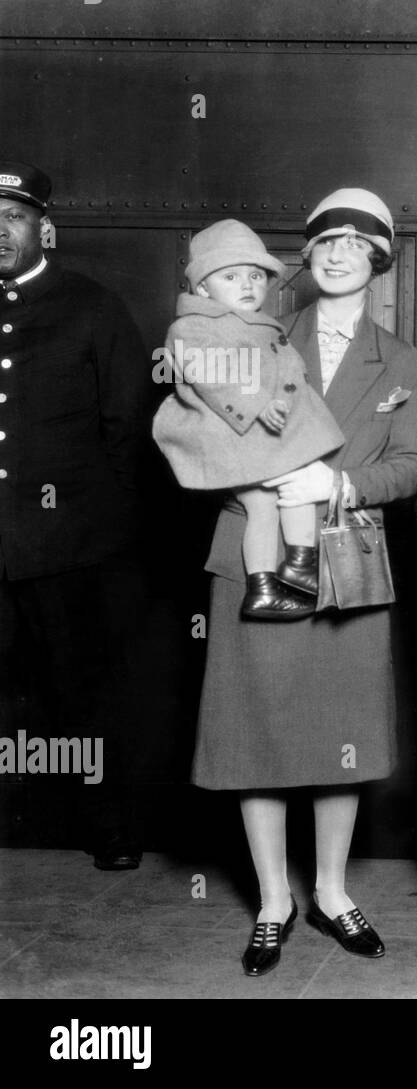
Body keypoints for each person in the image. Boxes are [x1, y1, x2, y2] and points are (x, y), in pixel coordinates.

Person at [192, 188, 417, 976]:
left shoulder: (401, 359)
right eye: (326, 240)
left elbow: (410, 467)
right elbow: (199, 427)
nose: (337, 253)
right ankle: (271, 898)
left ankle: (329, 888)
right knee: (252, 734)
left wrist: (341, 484)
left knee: (340, 735)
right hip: (254, 556)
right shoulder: (251, 332)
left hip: (347, 558)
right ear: (308, 254)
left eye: (357, 244)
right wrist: (255, 480)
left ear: (378, 262)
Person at [0, 159, 153, 871]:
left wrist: (91, 537)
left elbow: (127, 428)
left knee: (81, 692)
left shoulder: (92, 307)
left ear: (43, 225)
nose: (0, 232)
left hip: (67, 549)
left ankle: (110, 826)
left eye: (14, 216)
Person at [152, 219, 344, 619]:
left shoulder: (261, 325)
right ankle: (270, 580)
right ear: (202, 287)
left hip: (262, 434)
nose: (247, 285)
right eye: (231, 276)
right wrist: (259, 403)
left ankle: (294, 567)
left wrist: (285, 398)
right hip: (234, 434)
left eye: (256, 275)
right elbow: (212, 373)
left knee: (290, 490)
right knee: (264, 502)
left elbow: (286, 368)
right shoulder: (193, 327)